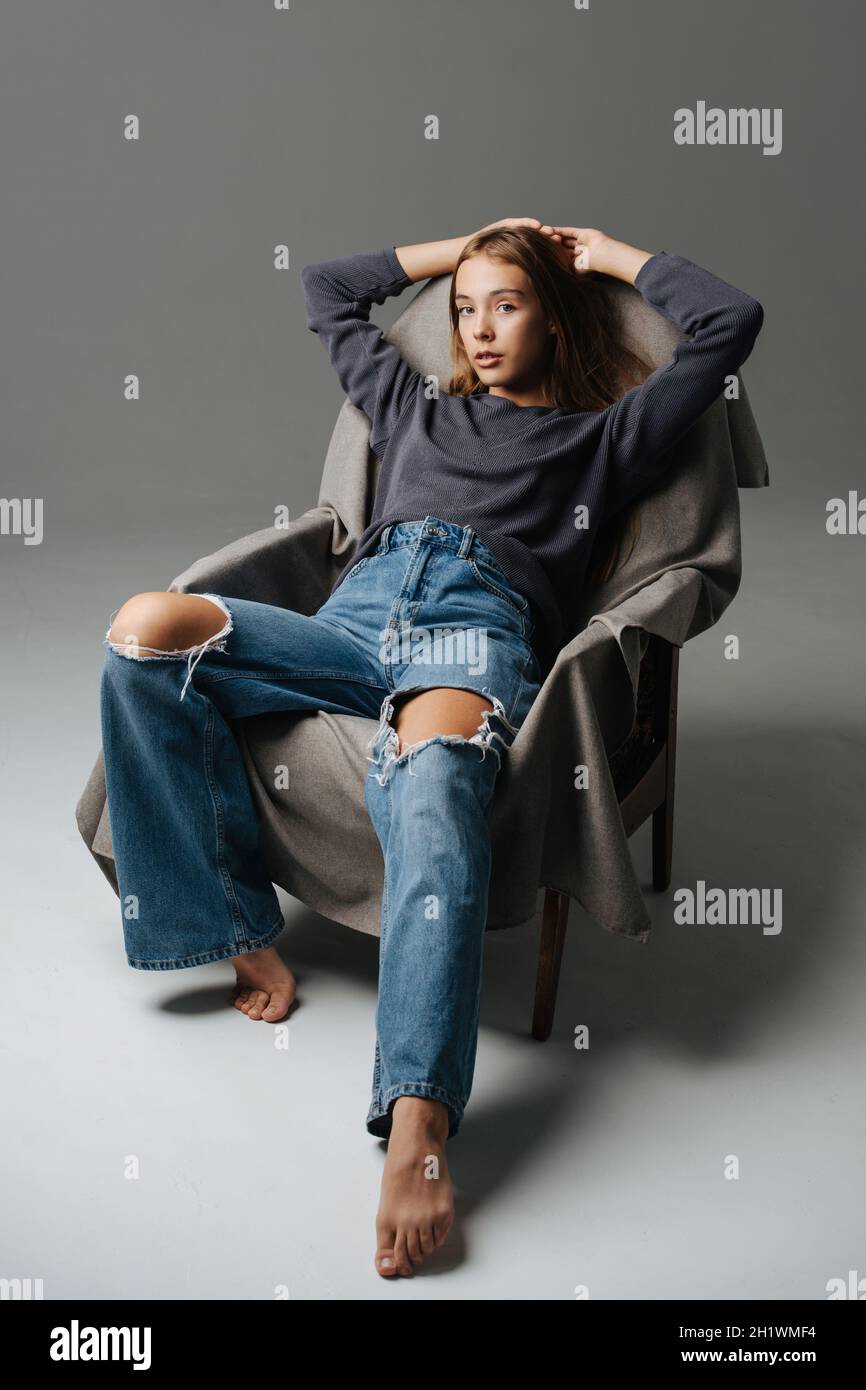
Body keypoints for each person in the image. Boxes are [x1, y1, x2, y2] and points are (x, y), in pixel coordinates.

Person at [99, 218, 764, 1278]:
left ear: (553, 313)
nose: (481, 328)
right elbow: (326, 286)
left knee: (437, 775)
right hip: (352, 617)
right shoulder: (413, 407)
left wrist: (601, 255)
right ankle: (232, 922)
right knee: (142, 633)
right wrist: (457, 250)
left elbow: (729, 323)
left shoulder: (605, 439)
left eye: (506, 304)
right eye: (466, 309)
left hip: (475, 624)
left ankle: (417, 1118)